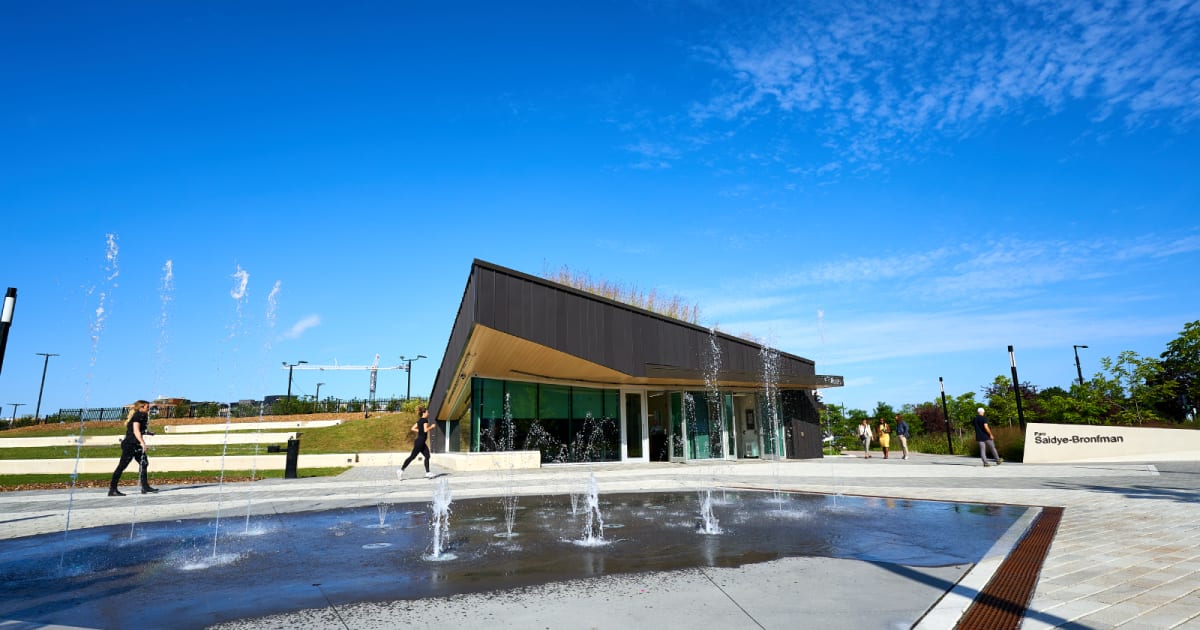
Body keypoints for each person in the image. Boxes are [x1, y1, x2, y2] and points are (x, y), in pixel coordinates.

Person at [108, 400, 159, 496]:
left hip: (135, 444)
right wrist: (143, 443)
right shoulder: (138, 415)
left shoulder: (143, 416)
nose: (149, 408)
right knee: (122, 466)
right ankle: (112, 489)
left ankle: (145, 487)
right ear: (141, 408)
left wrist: (149, 433)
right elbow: (136, 431)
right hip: (129, 445)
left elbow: (139, 430)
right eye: (147, 407)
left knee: (144, 463)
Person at [399, 407, 435, 479]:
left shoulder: (419, 421)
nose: (428, 413)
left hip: (421, 442)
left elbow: (413, 428)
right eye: (427, 412)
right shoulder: (425, 420)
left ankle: (428, 473)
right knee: (412, 457)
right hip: (420, 442)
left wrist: (420, 431)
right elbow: (425, 430)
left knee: (427, 456)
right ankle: (400, 470)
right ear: (424, 413)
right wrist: (431, 427)